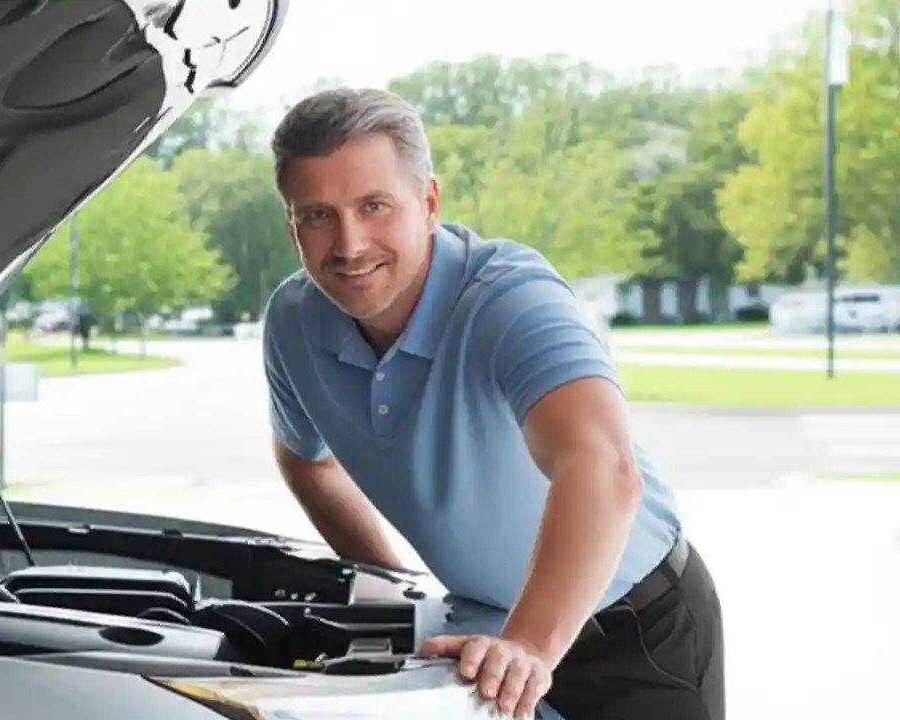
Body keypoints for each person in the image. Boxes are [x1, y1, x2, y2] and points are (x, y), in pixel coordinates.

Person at [260, 87, 724, 720]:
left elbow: (601, 464)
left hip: (633, 633)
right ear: (291, 224)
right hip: (480, 646)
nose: (349, 244)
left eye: (374, 206)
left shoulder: (509, 300)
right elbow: (307, 462)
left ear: (428, 202)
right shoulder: (292, 322)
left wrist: (530, 644)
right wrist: (392, 582)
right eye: (317, 215)